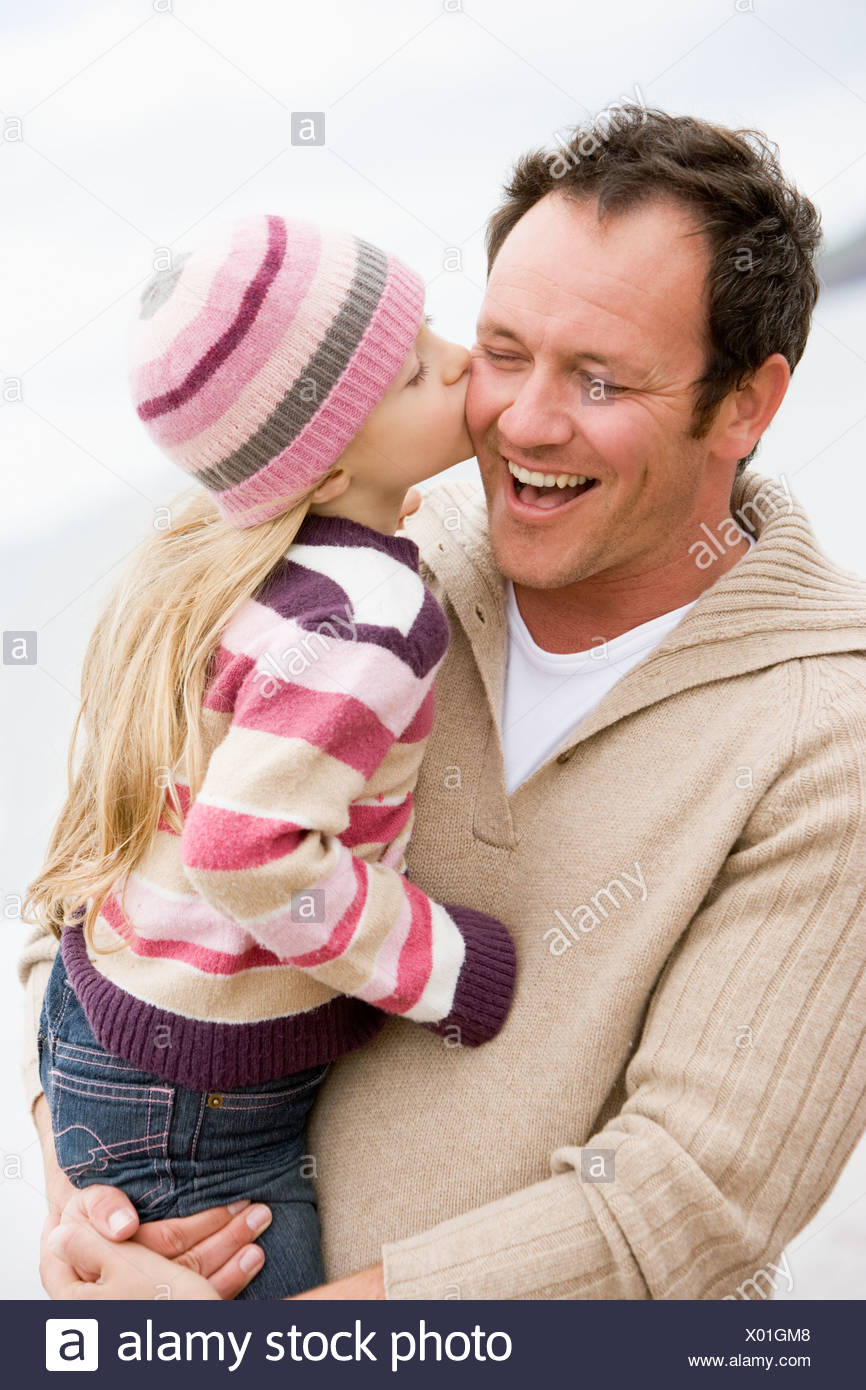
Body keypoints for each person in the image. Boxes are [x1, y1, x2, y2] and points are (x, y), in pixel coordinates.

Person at [22, 106, 866, 1303]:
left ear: (744, 405)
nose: (521, 420)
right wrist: (93, 1207)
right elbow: (99, 885)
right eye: (503, 350)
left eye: (599, 378)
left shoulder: (828, 731)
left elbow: (687, 1200)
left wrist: (278, 1348)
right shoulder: (340, 567)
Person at [20, 214, 517, 1300]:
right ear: (329, 465)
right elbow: (245, 850)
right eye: (409, 377)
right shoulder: (368, 615)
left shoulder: (254, 568)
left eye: (429, 331)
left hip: (106, 1012)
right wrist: (442, 967)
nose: (457, 361)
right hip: (203, 1104)